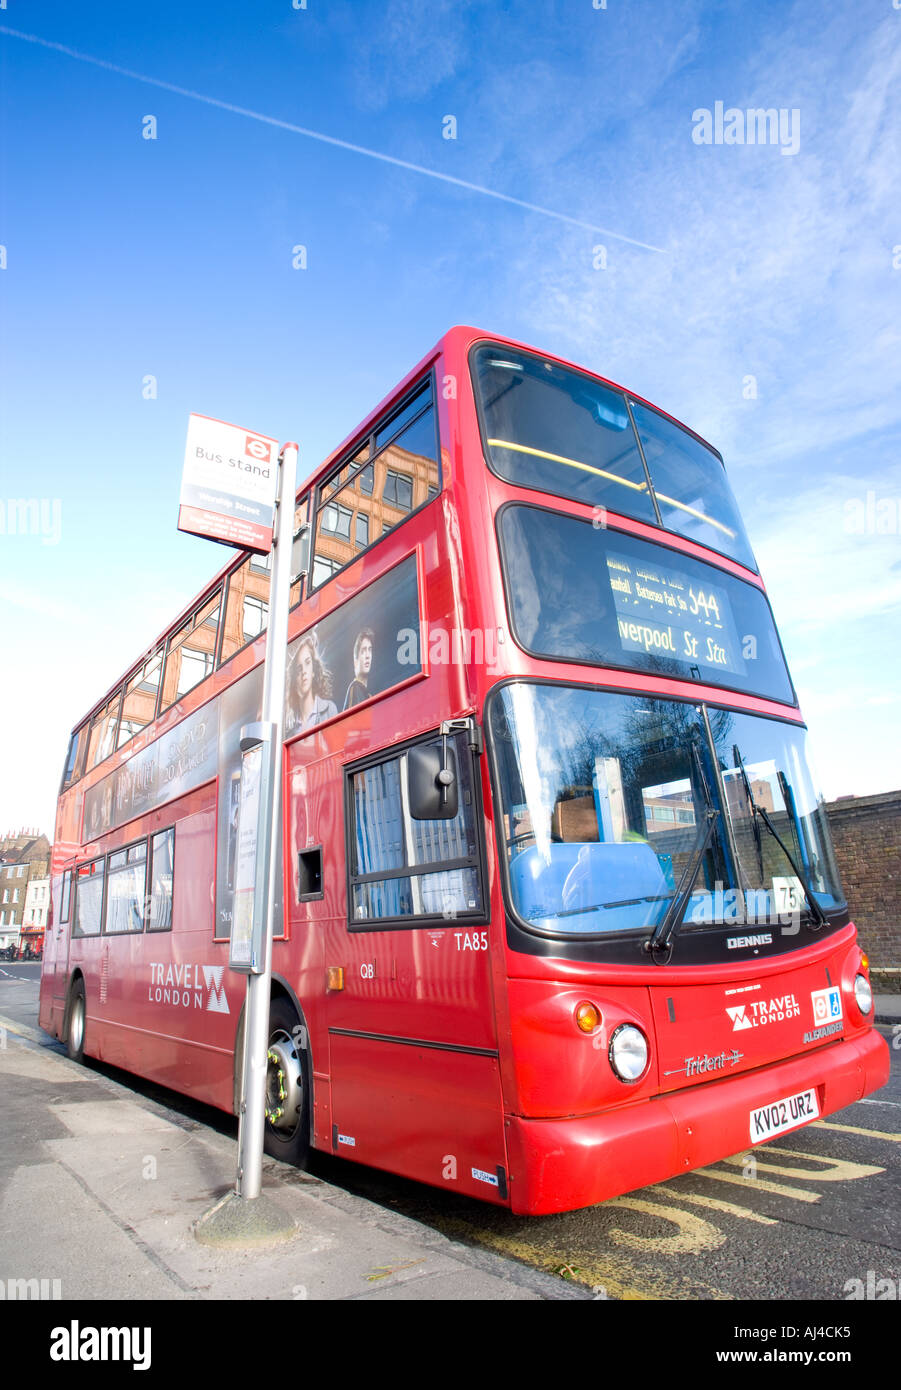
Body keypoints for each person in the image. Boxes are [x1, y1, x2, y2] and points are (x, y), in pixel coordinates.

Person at [286, 631, 338, 734]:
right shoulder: (288, 726)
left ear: (313, 670)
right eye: (299, 668)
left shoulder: (329, 709)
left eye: (307, 663)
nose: (304, 671)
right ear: (294, 678)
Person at [344, 628, 375, 710]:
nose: (367, 656)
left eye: (370, 650)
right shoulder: (355, 687)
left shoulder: (368, 695)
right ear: (356, 661)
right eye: (363, 651)